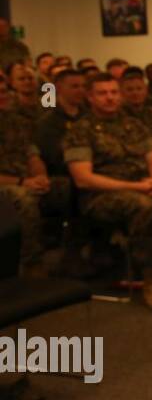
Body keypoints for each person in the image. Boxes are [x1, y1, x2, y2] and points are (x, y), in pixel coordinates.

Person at [63, 73, 152, 311]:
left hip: (141, 185)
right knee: (143, 206)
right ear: (90, 97)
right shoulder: (81, 130)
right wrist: (138, 188)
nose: (109, 98)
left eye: (113, 92)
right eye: (102, 93)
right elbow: (83, 179)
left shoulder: (133, 124)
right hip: (100, 197)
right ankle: (149, 279)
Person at [0, 71, 70, 276]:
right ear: (15, 82)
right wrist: (24, 181)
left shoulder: (23, 115)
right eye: (22, 78)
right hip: (10, 183)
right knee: (23, 198)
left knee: (68, 186)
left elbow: (32, 153)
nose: (28, 81)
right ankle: (32, 263)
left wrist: (40, 176)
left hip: (25, 177)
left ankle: (76, 250)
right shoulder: (40, 101)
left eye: (4, 91)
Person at [34, 68, 86, 178]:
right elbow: (54, 158)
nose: (81, 90)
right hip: (66, 174)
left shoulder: (90, 115)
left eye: (83, 86)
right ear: (59, 87)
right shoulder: (48, 122)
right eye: (75, 86)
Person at [120, 66, 152, 142]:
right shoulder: (118, 117)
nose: (135, 93)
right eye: (129, 89)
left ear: (146, 91)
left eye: (139, 89)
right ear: (122, 93)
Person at [6, 61, 43, 128]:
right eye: (21, 79)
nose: (27, 82)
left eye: (31, 78)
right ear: (12, 83)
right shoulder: (9, 110)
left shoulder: (48, 105)